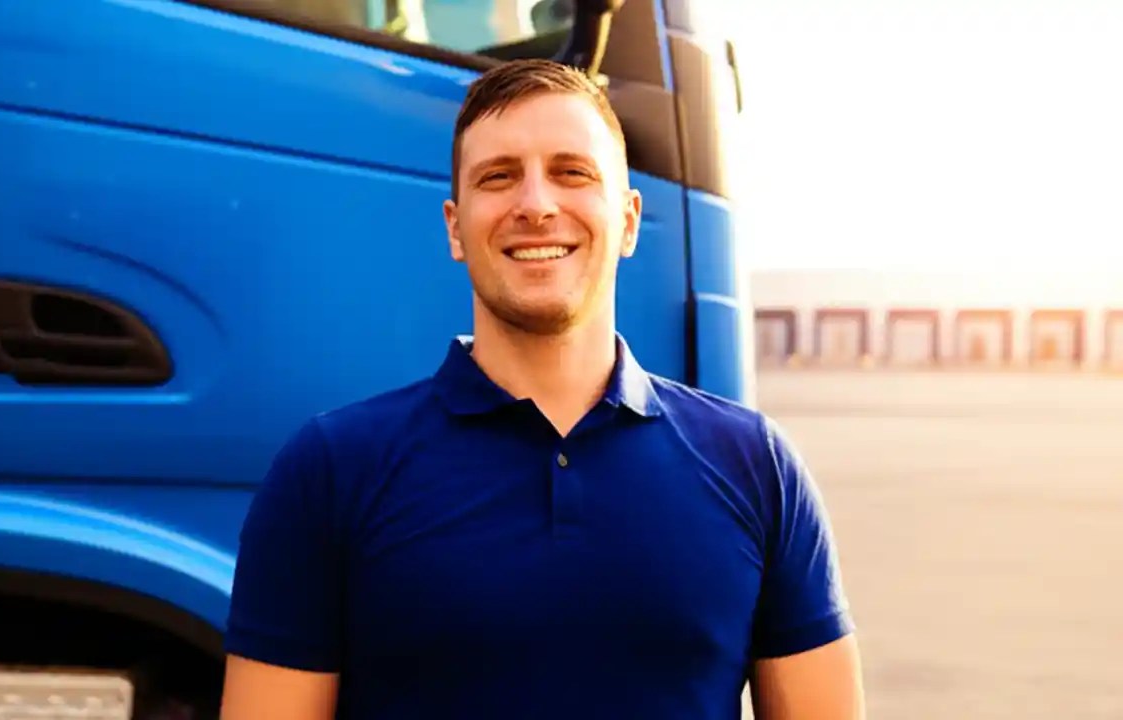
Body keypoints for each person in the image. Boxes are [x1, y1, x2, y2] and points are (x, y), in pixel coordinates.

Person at [219, 58, 864, 719]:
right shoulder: (328, 470)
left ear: (630, 218)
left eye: (572, 172)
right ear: (454, 227)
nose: (535, 204)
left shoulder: (757, 465)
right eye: (499, 177)